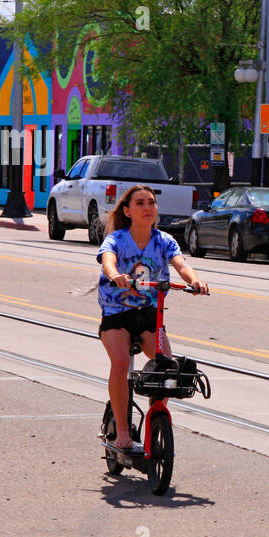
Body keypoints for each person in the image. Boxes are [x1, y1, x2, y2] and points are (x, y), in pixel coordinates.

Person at [97, 185, 208, 452]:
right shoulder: (117, 239)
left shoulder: (165, 240)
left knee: (166, 368)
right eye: (140, 203)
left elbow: (181, 264)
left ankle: (155, 421)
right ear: (127, 211)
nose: (148, 208)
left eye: (151, 203)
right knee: (121, 362)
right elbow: (108, 260)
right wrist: (115, 275)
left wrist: (194, 280)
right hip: (117, 313)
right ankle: (122, 430)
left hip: (149, 315)